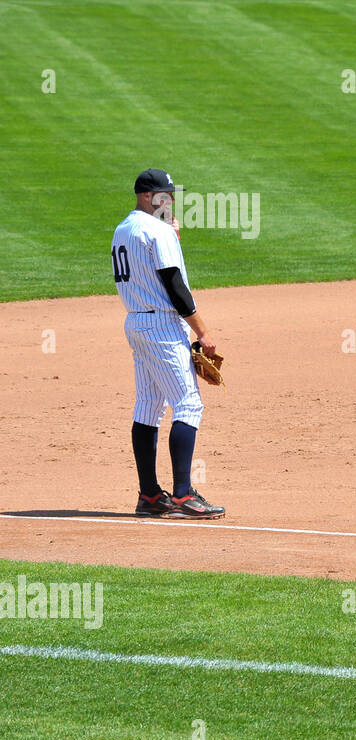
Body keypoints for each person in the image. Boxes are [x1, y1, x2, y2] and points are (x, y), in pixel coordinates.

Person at [112, 168, 225, 519]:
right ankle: (181, 496)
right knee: (188, 404)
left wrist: (171, 237)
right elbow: (175, 286)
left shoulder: (124, 229)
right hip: (161, 325)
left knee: (148, 404)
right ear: (146, 196)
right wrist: (202, 332)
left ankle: (149, 496)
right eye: (164, 195)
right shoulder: (157, 230)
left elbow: (150, 271)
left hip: (136, 321)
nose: (171, 200)